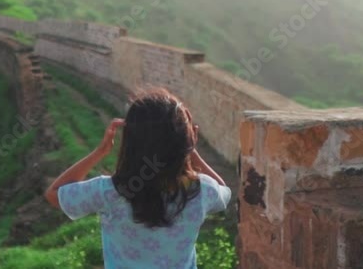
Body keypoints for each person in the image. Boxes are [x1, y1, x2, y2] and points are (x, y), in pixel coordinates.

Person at [44, 88, 230, 268]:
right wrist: (190, 149)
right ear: (186, 140)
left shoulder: (110, 192)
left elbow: (54, 194)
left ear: (130, 141)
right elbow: (224, 192)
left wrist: (100, 152)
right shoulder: (202, 191)